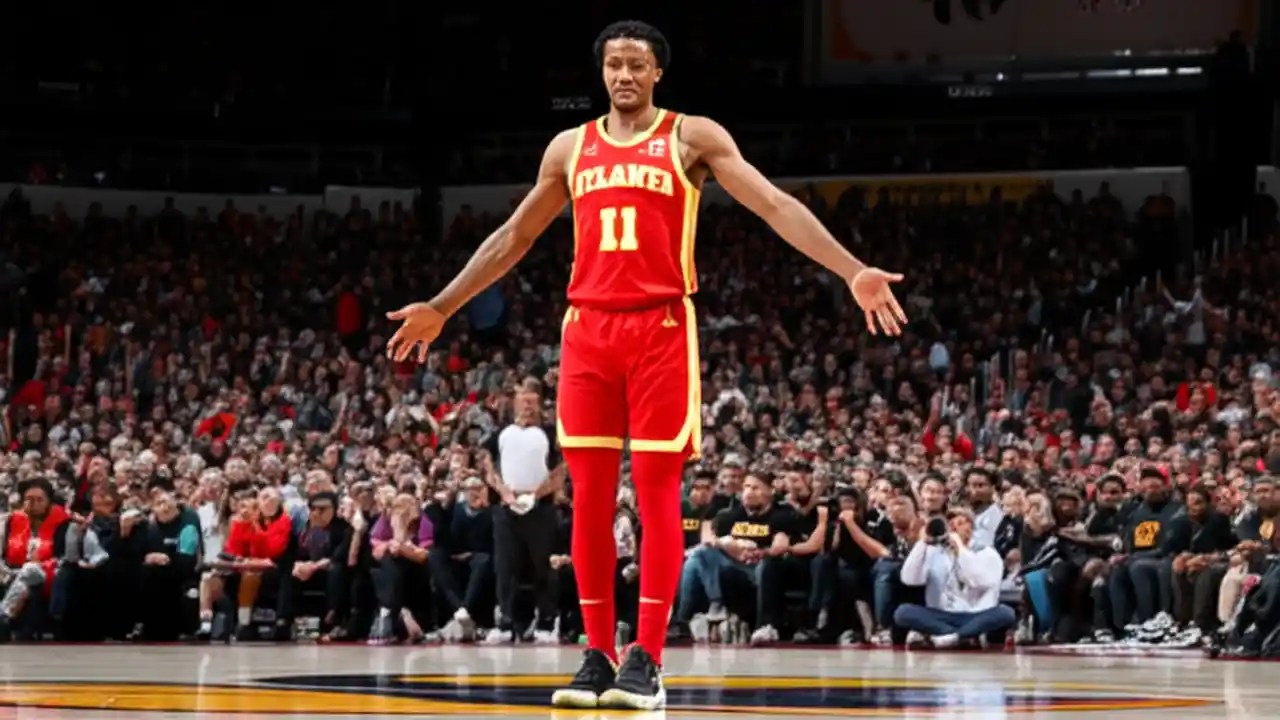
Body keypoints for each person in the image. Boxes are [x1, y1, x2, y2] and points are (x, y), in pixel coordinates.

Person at [384, 19, 906, 711]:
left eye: (636, 64)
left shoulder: (692, 137)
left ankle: (648, 661)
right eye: (613, 65)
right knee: (589, 500)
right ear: (601, 72)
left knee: (658, 493)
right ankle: (597, 654)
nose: (623, 75)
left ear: (659, 72)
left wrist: (852, 270)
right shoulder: (571, 148)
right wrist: (445, 305)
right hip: (587, 330)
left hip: (660, 325)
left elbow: (774, 204)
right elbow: (515, 235)